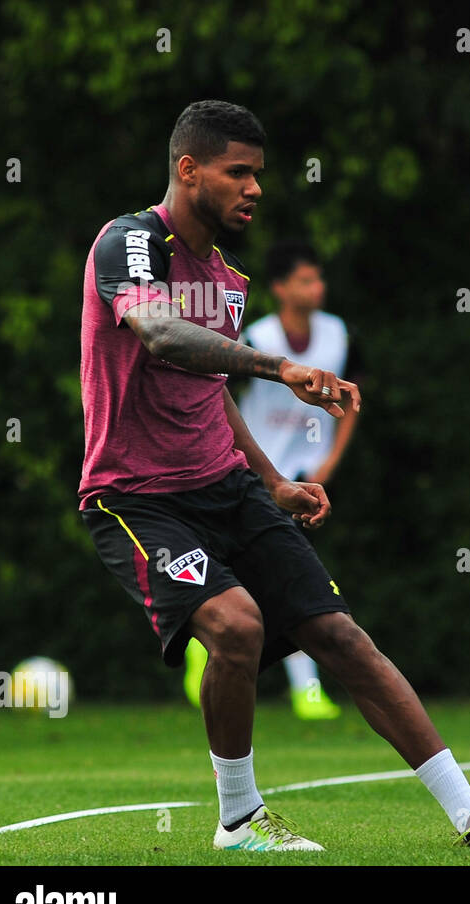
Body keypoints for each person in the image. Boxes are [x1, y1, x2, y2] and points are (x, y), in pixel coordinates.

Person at [79, 99, 470, 850]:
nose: (254, 188)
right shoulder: (132, 242)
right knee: (236, 624)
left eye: (259, 175)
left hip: (226, 484)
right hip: (135, 497)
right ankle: (239, 818)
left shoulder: (227, 277)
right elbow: (160, 334)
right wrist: (279, 364)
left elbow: (208, 390)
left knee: (344, 638)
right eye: (238, 173)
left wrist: (271, 480)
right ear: (188, 169)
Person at [182, 240, 357, 721]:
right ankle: (296, 684)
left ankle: (231, 650)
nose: (316, 287)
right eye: (305, 279)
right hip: (257, 472)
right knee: (287, 582)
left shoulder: (337, 334)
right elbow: (214, 396)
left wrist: (330, 463)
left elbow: (351, 403)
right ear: (280, 288)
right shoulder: (254, 337)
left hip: (310, 477)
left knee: (294, 579)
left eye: (319, 278)